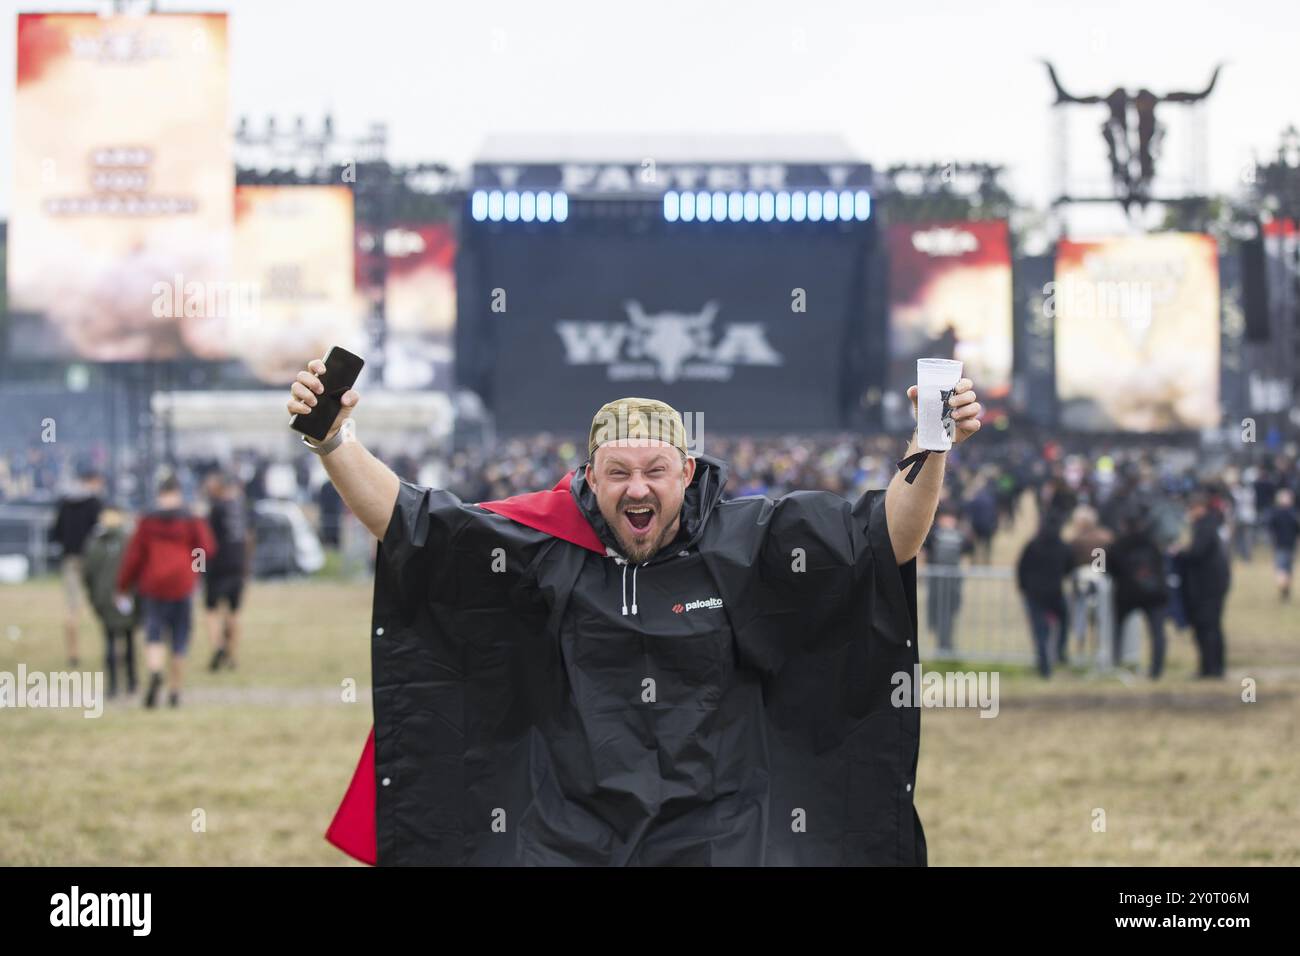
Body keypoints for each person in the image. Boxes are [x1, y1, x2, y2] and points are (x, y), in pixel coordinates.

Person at [286, 356, 983, 866]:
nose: (636, 487)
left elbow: (883, 539)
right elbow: (414, 524)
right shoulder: (541, 547)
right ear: (590, 477)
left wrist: (932, 450)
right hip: (569, 835)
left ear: (687, 470)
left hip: (719, 836)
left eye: (655, 470)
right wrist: (332, 441)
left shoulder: (753, 541)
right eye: (618, 472)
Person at [115, 474, 217, 708]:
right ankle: (175, 691)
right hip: (182, 584)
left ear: (159, 495)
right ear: (178, 494)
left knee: (154, 634)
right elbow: (205, 548)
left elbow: (135, 556)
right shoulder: (190, 519)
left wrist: (123, 586)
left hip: (153, 584)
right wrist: (194, 572)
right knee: (180, 639)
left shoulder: (147, 521)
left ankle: (155, 671)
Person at [80, 505, 140, 697]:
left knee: (109, 642)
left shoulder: (96, 543)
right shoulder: (130, 541)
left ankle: (113, 686)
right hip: (127, 598)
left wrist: (95, 597)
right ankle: (132, 682)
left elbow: (88, 573)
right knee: (129, 640)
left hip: (104, 599)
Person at [51, 468, 104, 666]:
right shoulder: (95, 504)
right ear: (93, 480)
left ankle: (73, 654)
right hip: (93, 561)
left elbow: (55, 533)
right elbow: (101, 533)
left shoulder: (64, 503)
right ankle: (111, 648)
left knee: (72, 608)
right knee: (104, 605)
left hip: (70, 559)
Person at [203, 470, 255, 671]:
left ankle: (217, 646)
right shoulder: (242, 508)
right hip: (238, 566)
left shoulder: (215, 509)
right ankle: (232, 655)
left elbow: (205, 541)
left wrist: (198, 565)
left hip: (216, 567)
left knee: (211, 611)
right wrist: (246, 565)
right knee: (234, 613)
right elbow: (250, 538)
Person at [1108, 510, 1169, 679]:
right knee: (1157, 632)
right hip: (1154, 594)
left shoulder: (1117, 545)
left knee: (1117, 628)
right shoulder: (1152, 543)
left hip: (1127, 595)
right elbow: (1161, 565)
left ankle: (1116, 661)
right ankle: (1157, 669)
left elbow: (1106, 568)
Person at [1176, 492, 1230, 678]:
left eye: (1191, 509)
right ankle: (1210, 667)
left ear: (1200, 508)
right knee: (1210, 627)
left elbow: (1197, 553)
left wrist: (1180, 553)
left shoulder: (1206, 526)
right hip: (1210, 584)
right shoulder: (1209, 525)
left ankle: (1212, 669)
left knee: (1207, 627)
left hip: (1207, 586)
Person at [1016, 517, 1074, 677]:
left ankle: (1044, 666)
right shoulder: (1063, 547)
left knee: (1040, 631)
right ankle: (1060, 651)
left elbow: (1021, 567)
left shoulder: (1033, 546)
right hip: (1055, 593)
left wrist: (1023, 587)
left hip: (1034, 594)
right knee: (1064, 621)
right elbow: (1069, 567)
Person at [923, 501, 972, 655]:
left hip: (953, 582)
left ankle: (947, 644)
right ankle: (943, 645)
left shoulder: (960, 535)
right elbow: (924, 547)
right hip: (936, 581)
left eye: (951, 518)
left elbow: (969, 549)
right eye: (946, 517)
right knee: (939, 612)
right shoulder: (932, 534)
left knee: (951, 611)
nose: (949, 521)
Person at [1265, 488, 1299, 601]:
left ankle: (1285, 590)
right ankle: (1285, 591)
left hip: (1286, 545)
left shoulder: (1281, 513)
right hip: (1283, 545)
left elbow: (1269, 527)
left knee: (1283, 569)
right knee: (1284, 569)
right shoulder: (1291, 513)